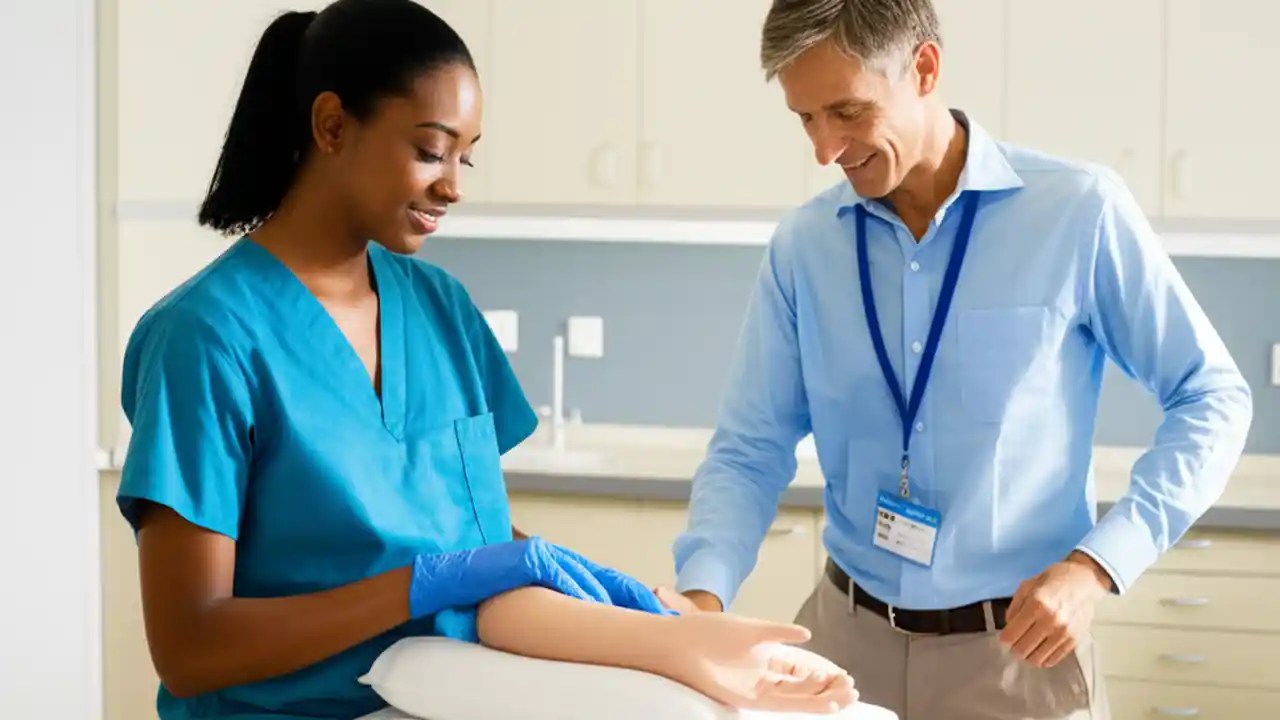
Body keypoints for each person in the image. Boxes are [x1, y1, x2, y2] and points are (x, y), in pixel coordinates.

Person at [115, 1, 855, 718]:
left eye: (465, 157)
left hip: (441, 698)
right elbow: (191, 647)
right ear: (333, 125)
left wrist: (649, 617)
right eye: (430, 151)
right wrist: (424, 585)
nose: (454, 186)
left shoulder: (440, 309)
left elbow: (479, 540)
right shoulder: (205, 339)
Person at [661, 1, 1254, 718]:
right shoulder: (804, 248)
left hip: (1017, 657)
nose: (824, 150)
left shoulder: (1078, 213)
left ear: (925, 68)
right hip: (841, 647)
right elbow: (750, 449)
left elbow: (1214, 396)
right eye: (805, 118)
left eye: (846, 111)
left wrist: (1098, 566)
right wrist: (701, 597)